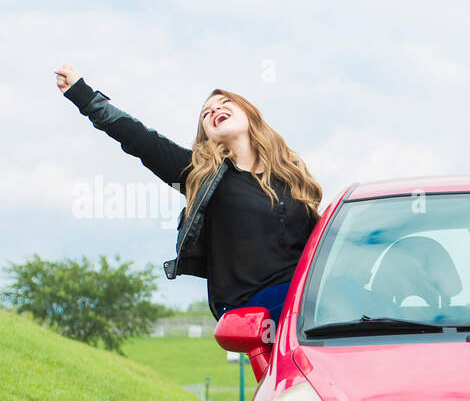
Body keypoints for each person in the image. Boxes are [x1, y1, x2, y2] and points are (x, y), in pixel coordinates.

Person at [54, 63, 323, 332]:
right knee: (324, 303)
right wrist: (82, 94)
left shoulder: (291, 176)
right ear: (207, 134)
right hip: (249, 305)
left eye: (224, 102)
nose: (215, 109)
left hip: (306, 292)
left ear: (250, 115)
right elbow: (139, 138)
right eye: (206, 113)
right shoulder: (201, 174)